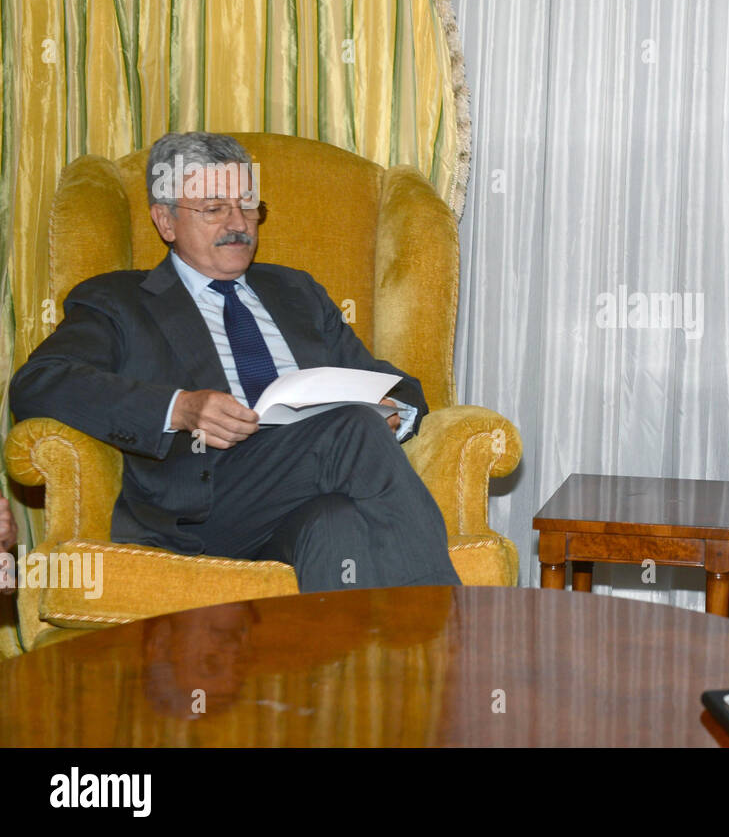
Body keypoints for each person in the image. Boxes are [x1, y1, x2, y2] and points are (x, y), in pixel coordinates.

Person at [10, 132, 461, 592]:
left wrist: (393, 412)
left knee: (337, 524)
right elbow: (39, 382)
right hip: (204, 504)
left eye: (248, 206)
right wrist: (179, 408)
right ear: (165, 221)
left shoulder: (298, 293)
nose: (238, 223)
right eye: (213, 209)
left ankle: (346, 662)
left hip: (300, 497)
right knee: (351, 428)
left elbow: (384, 381)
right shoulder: (120, 299)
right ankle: (448, 622)